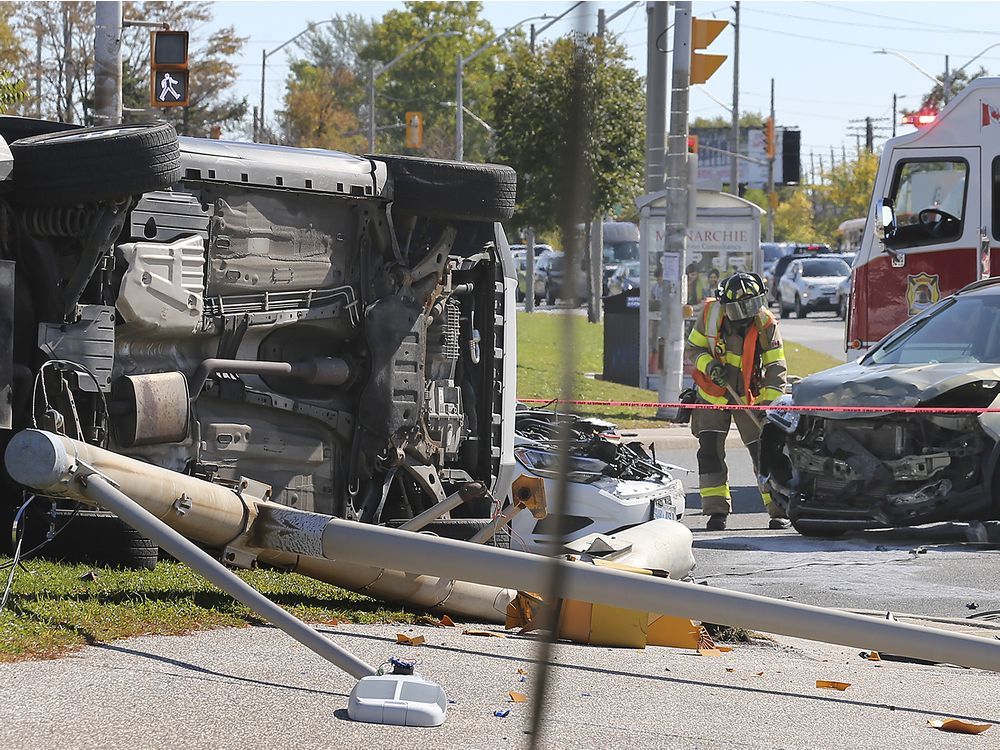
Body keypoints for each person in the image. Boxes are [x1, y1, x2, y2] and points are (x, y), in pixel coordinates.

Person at [686, 272, 790, 531]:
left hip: (749, 398)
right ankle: (716, 512)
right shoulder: (710, 314)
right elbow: (694, 349)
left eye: (751, 306)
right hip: (712, 395)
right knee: (709, 452)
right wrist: (709, 366)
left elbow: (776, 366)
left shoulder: (766, 322)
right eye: (738, 308)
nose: (745, 313)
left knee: (763, 453)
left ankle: (778, 509)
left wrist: (768, 407)